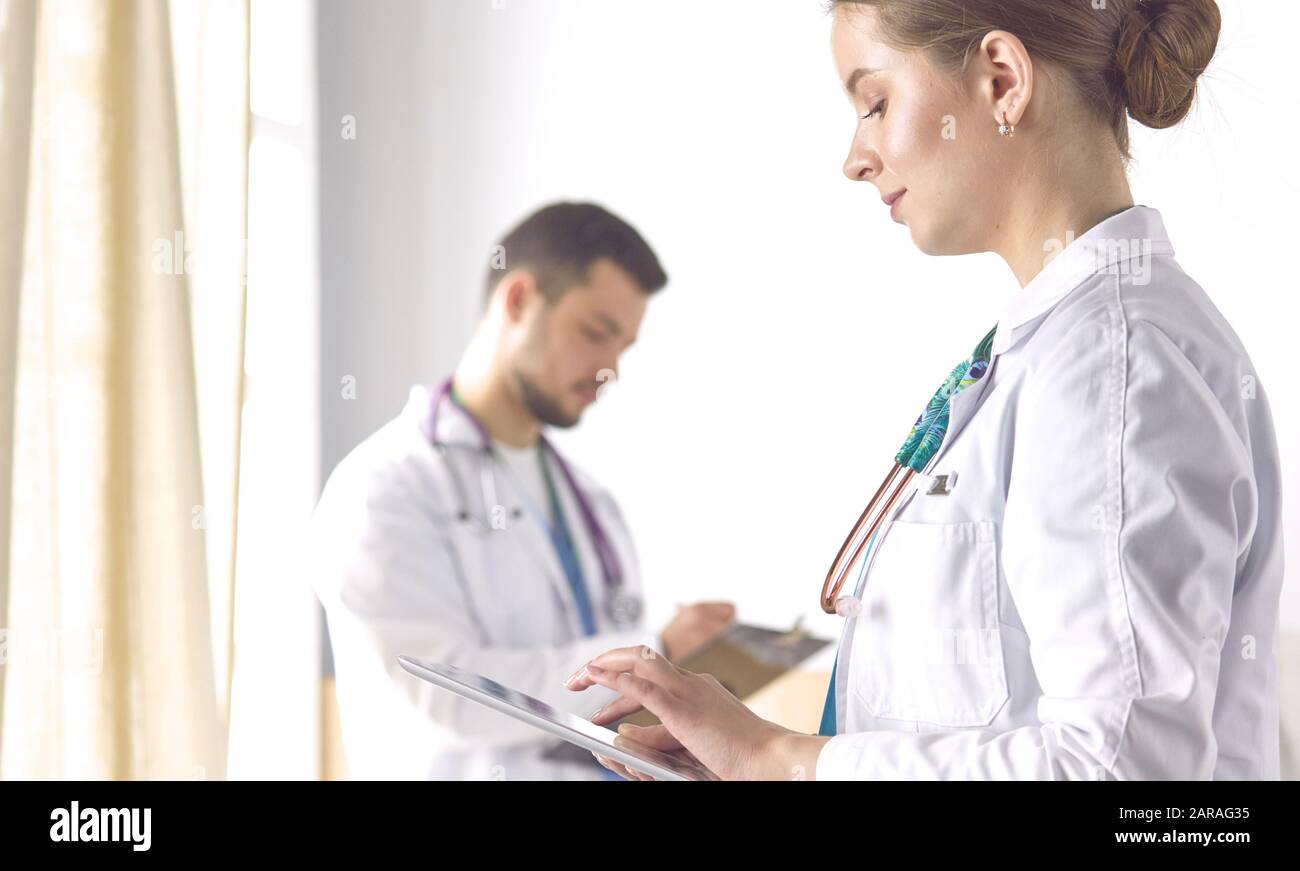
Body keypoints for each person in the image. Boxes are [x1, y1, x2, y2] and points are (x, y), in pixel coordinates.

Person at [567, 0, 1284, 780]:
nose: (856, 156)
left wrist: (783, 759)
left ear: (1002, 80)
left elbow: (1124, 775)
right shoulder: (1057, 351)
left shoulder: (1113, 364)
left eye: (875, 102)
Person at [312, 202, 735, 780]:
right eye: (595, 333)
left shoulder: (592, 505)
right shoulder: (384, 486)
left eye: (623, 347)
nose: (609, 368)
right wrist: (651, 651)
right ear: (517, 301)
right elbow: (445, 693)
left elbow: (598, 714)